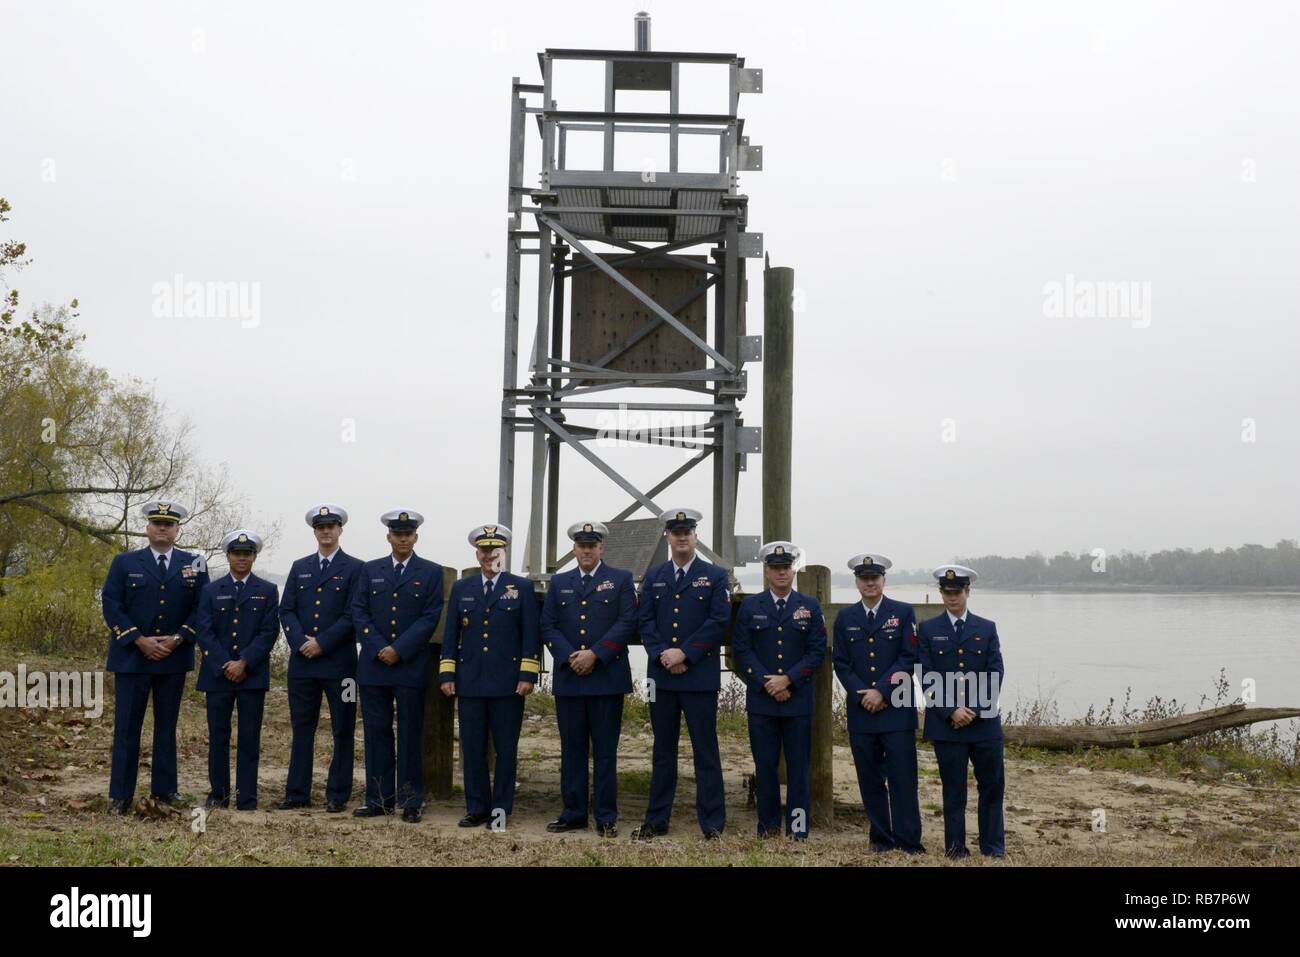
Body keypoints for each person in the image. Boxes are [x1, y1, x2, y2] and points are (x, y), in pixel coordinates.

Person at [101, 501, 209, 814]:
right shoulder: (124, 562)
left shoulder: (195, 563)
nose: (163, 528)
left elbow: (202, 607)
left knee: (166, 727)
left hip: (173, 659)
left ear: (177, 530)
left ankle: (165, 791)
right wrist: (138, 639)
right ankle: (120, 795)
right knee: (126, 728)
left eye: (169, 524)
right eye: (157, 523)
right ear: (148, 528)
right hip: (132, 658)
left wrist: (178, 639)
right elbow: (111, 603)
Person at [632, 507, 730, 841]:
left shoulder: (716, 576)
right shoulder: (654, 576)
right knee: (663, 751)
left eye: (687, 531)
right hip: (661, 677)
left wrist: (685, 653)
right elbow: (644, 622)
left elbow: (718, 621)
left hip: (699, 675)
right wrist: (663, 655)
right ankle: (656, 820)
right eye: (676, 532)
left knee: (706, 751)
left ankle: (713, 823)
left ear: (696, 536)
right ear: (667, 537)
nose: (682, 537)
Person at [440, 523, 540, 830]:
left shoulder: (520, 588)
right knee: (472, 749)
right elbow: (451, 635)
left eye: (494, 550)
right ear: (477, 553)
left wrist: (527, 675)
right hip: (470, 682)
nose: (488, 555)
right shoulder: (462, 588)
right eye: (484, 550)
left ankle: (501, 809)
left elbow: (530, 636)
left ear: (503, 553)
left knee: (506, 749)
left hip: (508, 683)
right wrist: (447, 673)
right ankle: (477, 807)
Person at [540, 520, 636, 837]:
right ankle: (574, 812)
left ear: (601, 548)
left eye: (592, 546)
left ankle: (606, 816)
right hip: (570, 677)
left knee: (606, 752)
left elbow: (626, 622)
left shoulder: (620, 580)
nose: (586, 551)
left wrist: (595, 654)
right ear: (574, 549)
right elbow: (548, 625)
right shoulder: (560, 581)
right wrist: (570, 656)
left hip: (606, 677)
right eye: (582, 546)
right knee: (572, 750)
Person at [352, 509, 444, 823]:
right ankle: (378, 799)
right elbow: (359, 612)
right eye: (397, 534)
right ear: (389, 537)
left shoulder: (430, 572)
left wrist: (398, 650)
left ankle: (410, 800)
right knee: (376, 733)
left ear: (415, 537)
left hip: (409, 665)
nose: (403, 539)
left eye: (408, 534)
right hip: (374, 666)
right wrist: (380, 648)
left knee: (409, 734)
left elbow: (429, 618)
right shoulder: (370, 570)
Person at [731, 541, 826, 839]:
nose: (781, 573)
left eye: (786, 567)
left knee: (799, 770)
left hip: (798, 701)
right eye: (775, 568)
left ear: (794, 569)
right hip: (762, 701)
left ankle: (798, 828)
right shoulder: (750, 606)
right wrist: (767, 682)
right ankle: (768, 827)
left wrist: (788, 680)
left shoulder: (809, 607)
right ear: (767, 571)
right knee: (765, 767)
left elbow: (816, 652)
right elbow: (742, 651)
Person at [832, 552, 924, 853]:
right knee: (869, 779)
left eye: (875, 578)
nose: (869, 583)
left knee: (903, 779)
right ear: (857, 582)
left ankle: (909, 841)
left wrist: (881, 691)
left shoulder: (903, 612)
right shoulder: (846, 618)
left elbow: (908, 657)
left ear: (884, 580)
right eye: (864, 578)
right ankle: (881, 839)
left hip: (896, 709)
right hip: (862, 712)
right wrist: (864, 694)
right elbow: (841, 663)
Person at [916, 564, 1006, 858]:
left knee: (991, 787)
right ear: (941, 593)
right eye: (946, 592)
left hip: (984, 724)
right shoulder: (928, 630)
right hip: (947, 725)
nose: (952, 597)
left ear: (968, 592)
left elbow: (995, 672)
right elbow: (925, 675)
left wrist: (975, 709)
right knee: (953, 791)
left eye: (957, 592)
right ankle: (956, 849)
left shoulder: (986, 627)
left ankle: (993, 848)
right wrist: (950, 709)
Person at [278, 504, 361, 812]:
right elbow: (286, 609)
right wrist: (301, 642)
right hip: (302, 666)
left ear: (340, 530)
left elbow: (354, 614)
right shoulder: (300, 567)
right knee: (302, 729)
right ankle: (296, 793)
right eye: (320, 527)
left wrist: (322, 643)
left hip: (342, 667)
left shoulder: (356, 568)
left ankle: (338, 794)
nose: (326, 531)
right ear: (314, 531)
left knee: (344, 728)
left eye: (331, 526)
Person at [194, 530, 280, 811]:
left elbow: (269, 633)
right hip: (217, 675)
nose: (242, 558)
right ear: (228, 556)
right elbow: (204, 632)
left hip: (251, 676)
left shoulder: (267, 590)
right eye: (236, 554)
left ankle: (247, 797)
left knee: (249, 738)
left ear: (254, 556)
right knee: (218, 737)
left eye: (247, 554)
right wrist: (224, 664)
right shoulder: (210, 590)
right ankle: (218, 794)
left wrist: (244, 662)